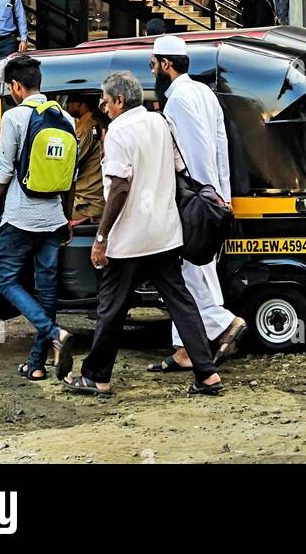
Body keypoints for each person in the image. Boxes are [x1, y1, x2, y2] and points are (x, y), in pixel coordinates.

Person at [62, 71, 223, 398]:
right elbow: (180, 171)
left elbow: (119, 188)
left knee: (111, 309)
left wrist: (102, 237)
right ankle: (207, 373)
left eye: (106, 102)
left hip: (129, 240)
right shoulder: (161, 122)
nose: (104, 109)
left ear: (119, 100)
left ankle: (97, 377)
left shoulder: (118, 132)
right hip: (165, 234)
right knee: (181, 303)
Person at [0, 55, 75, 381]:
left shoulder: (15, 117)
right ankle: (37, 364)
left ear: (16, 86)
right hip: (54, 218)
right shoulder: (66, 119)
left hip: (19, 218)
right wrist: (66, 218)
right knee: (46, 291)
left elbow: (2, 173)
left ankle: (54, 333)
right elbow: (68, 178)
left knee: (6, 281)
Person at [154, 35, 246, 372]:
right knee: (197, 273)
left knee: (189, 274)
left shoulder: (178, 100)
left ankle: (222, 323)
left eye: (154, 63)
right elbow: (220, 149)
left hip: (195, 199)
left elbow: (197, 154)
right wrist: (223, 195)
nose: (153, 69)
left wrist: (205, 197)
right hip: (212, 196)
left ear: (165, 64)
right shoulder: (204, 93)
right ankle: (184, 349)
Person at [65, 92, 105, 223]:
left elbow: (70, 163)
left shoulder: (87, 127)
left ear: (78, 104)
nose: (66, 105)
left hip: (86, 202)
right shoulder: (91, 122)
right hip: (90, 197)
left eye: (69, 101)